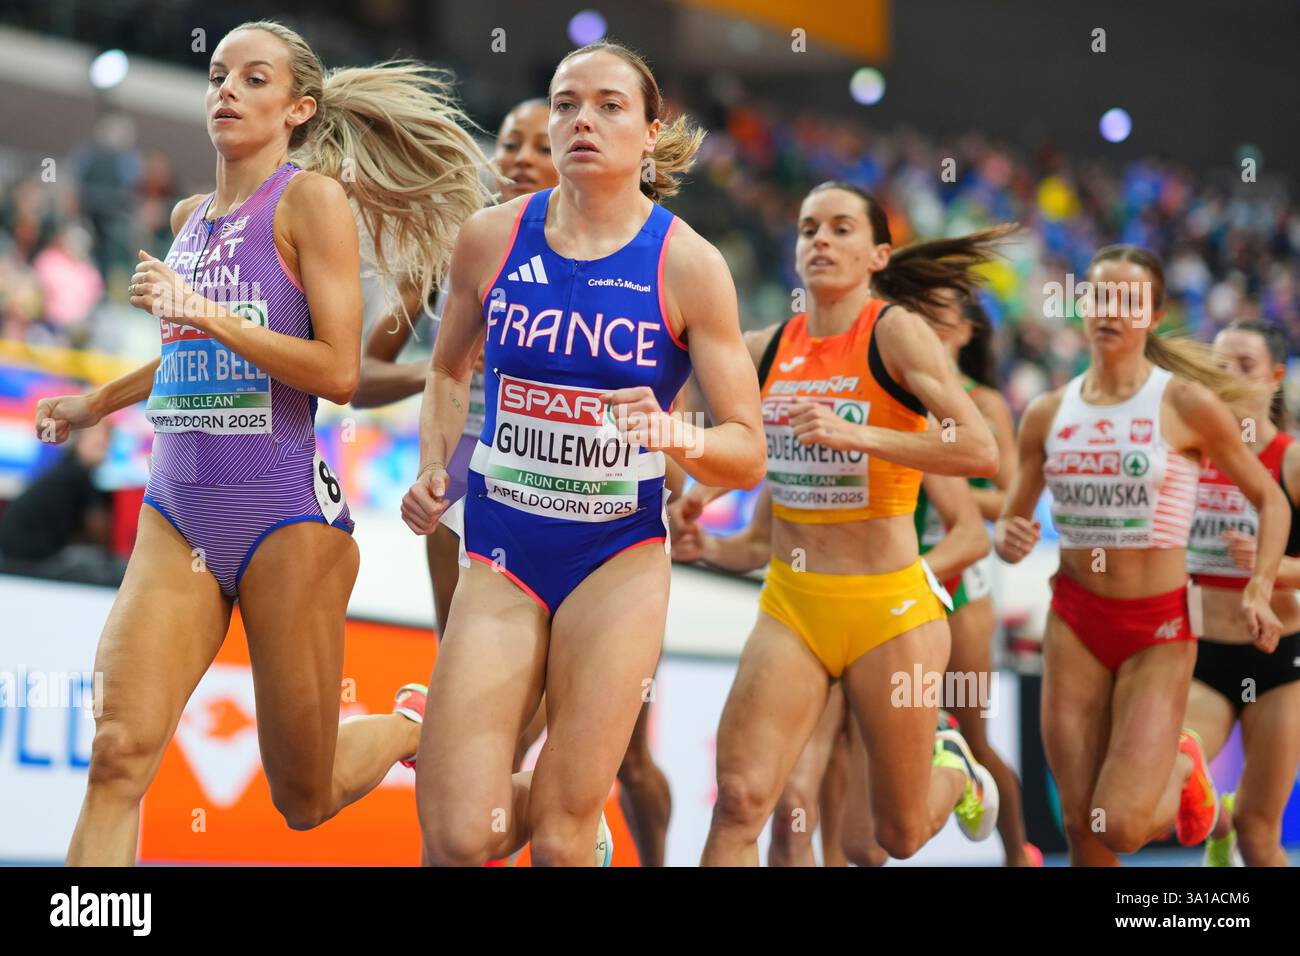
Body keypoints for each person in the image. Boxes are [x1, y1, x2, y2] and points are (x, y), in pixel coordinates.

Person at [39, 20, 492, 865]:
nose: (226, 92)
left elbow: (339, 372)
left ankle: (404, 724)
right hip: (178, 516)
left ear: (297, 110)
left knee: (305, 796)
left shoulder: (309, 201)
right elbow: (188, 357)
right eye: (218, 76)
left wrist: (201, 309)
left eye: (253, 80)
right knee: (116, 756)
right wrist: (95, 403)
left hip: (285, 520)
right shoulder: (186, 217)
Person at [400, 40, 766, 866]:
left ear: (649, 132)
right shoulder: (490, 238)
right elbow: (449, 369)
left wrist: (674, 432)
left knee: (561, 843)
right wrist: (435, 463)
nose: (581, 121)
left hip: (617, 559)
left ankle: (580, 824)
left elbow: (746, 452)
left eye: (608, 105)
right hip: (500, 547)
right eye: (566, 104)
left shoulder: (691, 266)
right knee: (460, 833)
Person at [680, 181, 1008, 866]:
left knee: (896, 834)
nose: (820, 241)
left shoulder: (895, 332)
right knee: (741, 800)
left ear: (877, 254)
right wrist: (695, 496)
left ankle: (959, 768)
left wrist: (862, 438)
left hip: (891, 610)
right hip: (793, 606)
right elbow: (721, 438)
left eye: (840, 229)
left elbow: (979, 449)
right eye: (807, 230)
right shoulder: (765, 348)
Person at [995, 245, 1289, 866]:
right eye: (1099, 295)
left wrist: (1261, 583)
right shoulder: (1048, 412)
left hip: (1158, 628)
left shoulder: (1185, 404)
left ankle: (1189, 774)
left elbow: (1269, 499)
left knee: (1121, 825)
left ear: (1152, 315)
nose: (1110, 308)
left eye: (1128, 299)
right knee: (1081, 827)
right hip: (1074, 622)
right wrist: (1010, 537)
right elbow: (1011, 521)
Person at [673, 471, 990, 865]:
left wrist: (908, 578)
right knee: (780, 813)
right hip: (801, 622)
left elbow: (973, 531)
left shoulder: (908, 416)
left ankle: (955, 768)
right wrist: (709, 546)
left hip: (885, 625)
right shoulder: (791, 417)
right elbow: (760, 541)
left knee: (877, 843)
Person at [913, 287, 1039, 866]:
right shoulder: (895, 388)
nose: (929, 323)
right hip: (889, 578)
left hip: (961, 581)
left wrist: (952, 477)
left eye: (943, 315)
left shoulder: (982, 403)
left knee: (974, 731)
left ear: (967, 332)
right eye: (920, 312)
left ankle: (1020, 855)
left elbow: (1013, 500)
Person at [1180, 321, 1300, 867]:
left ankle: (1236, 825)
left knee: (1260, 835)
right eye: (1218, 364)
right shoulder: (1186, 452)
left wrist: (1271, 569)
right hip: (1203, 651)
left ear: (1275, 377)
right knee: (1174, 776)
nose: (1227, 376)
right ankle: (1215, 819)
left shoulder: (1290, 459)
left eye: (1244, 366)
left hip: (1280, 661)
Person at [0, 421, 125, 586]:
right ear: (79, 440)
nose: (105, 450)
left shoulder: (63, 468)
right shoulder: (77, 474)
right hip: (30, 559)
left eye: (107, 444)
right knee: (108, 570)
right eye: (99, 444)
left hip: (15, 551)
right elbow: (98, 532)